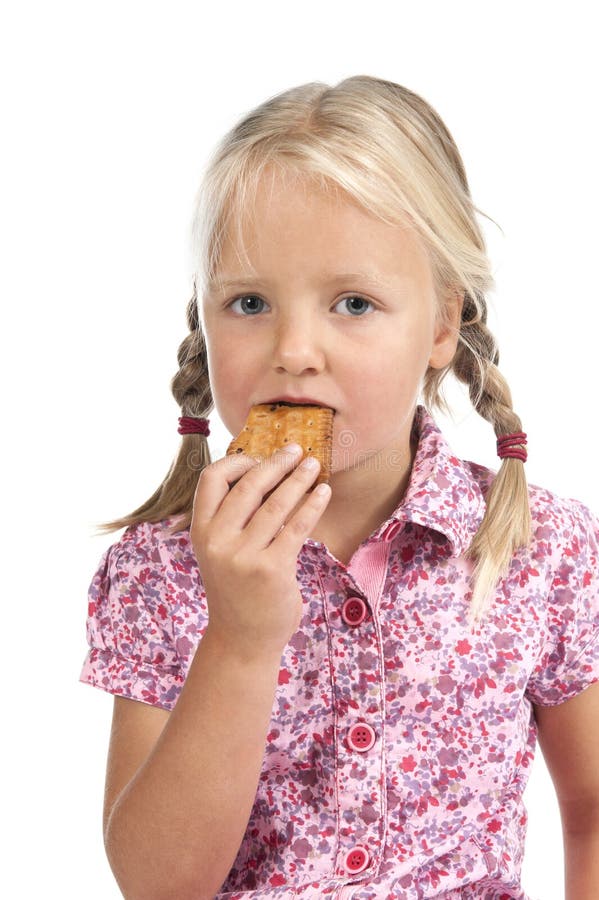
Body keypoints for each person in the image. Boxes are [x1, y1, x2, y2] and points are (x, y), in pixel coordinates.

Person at [78, 76, 599, 899]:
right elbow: (155, 884)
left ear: (438, 326)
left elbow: (592, 811)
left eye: (352, 303)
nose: (293, 349)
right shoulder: (162, 574)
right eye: (249, 301)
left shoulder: (542, 552)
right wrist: (241, 639)